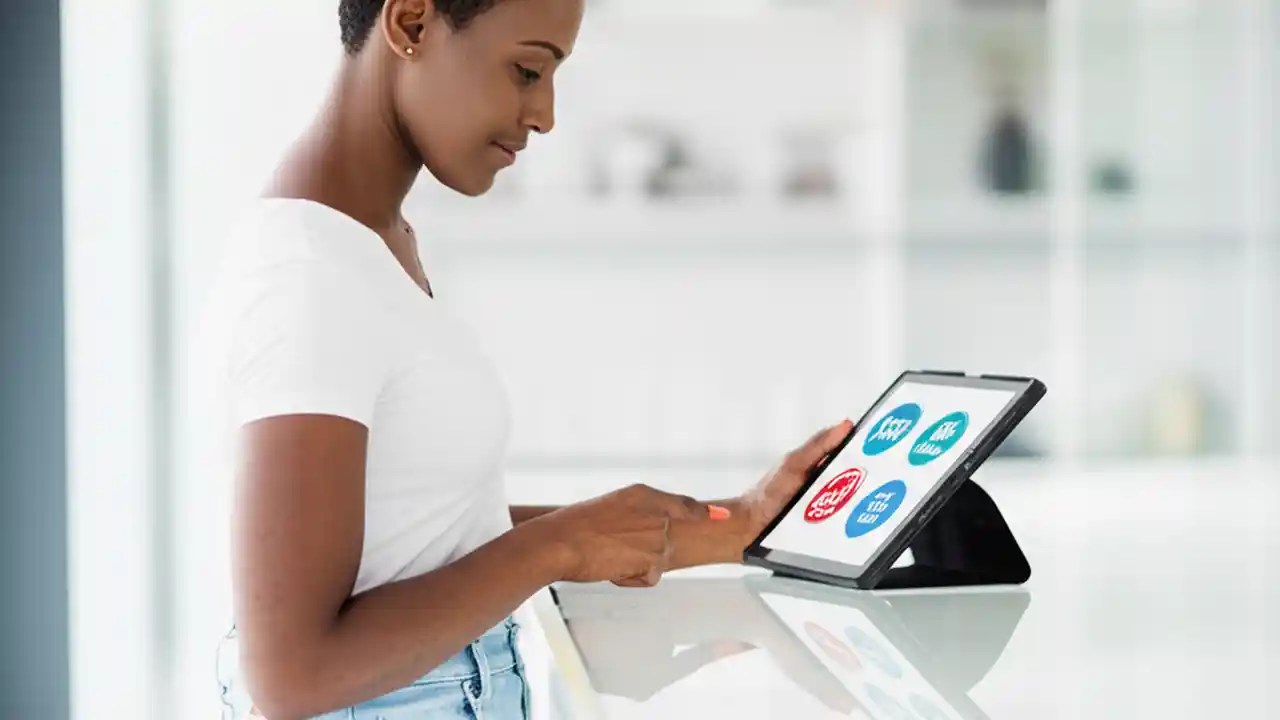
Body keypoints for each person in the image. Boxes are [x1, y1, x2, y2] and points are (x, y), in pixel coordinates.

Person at [205, 1, 854, 718]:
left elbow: (426, 537)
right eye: (527, 69)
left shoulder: (371, 244)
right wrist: (559, 546)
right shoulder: (311, 275)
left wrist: (743, 521)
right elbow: (293, 673)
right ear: (412, 24)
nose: (544, 113)